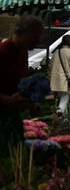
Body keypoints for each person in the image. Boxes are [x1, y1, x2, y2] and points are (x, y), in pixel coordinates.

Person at [0, 16, 44, 149]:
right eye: (34, 37)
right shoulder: (2, 52)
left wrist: (30, 103)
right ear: (19, 33)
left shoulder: (23, 52)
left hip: (13, 118)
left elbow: (20, 85)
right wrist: (9, 100)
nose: (37, 41)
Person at [49, 39, 70, 116]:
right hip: (66, 80)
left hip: (55, 80)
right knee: (65, 98)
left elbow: (50, 66)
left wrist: (50, 78)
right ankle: (59, 114)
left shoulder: (56, 52)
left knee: (62, 97)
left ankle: (63, 118)